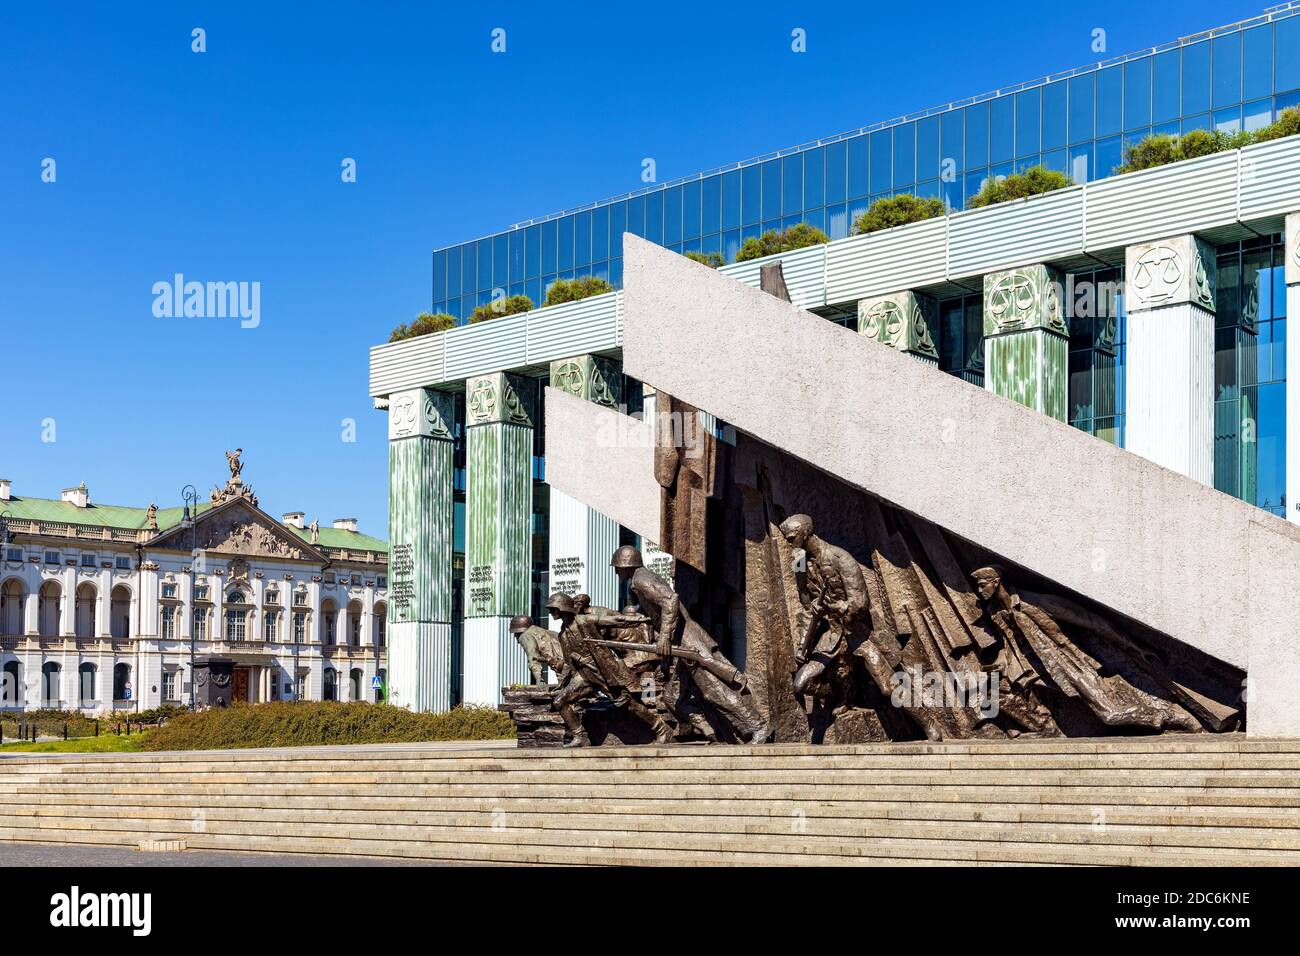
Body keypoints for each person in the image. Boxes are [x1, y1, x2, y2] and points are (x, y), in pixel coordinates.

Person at [970, 566, 1201, 733]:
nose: (979, 591)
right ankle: (1041, 730)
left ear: (996, 581)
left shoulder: (1036, 602)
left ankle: (1165, 716)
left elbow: (1093, 622)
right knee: (994, 693)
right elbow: (1012, 643)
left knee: (1110, 714)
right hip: (1034, 670)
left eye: (982, 585)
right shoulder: (997, 612)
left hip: (1070, 665)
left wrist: (1134, 646)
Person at [609, 545, 770, 744]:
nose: (616, 572)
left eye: (617, 567)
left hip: (688, 640)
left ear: (625, 565)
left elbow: (671, 600)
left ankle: (758, 726)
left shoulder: (641, 579)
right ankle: (717, 734)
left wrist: (664, 637)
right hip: (680, 642)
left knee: (714, 689)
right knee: (673, 697)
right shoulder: (638, 581)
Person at [548, 591, 673, 745]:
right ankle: (580, 736)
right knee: (560, 701)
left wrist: (638, 619)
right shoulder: (562, 635)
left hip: (602, 672)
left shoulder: (583, 621)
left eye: (553, 609)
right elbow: (569, 662)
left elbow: (614, 620)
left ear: (563, 608)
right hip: (584, 675)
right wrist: (564, 680)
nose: (550, 612)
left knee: (628, 705)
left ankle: (662, 729)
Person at [509, 614, 564, 685]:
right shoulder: (549, 633)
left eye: (515, 634)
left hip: (562, 667)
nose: (516, 638)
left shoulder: (525, 636)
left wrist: (539, 678)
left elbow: (533, 657)